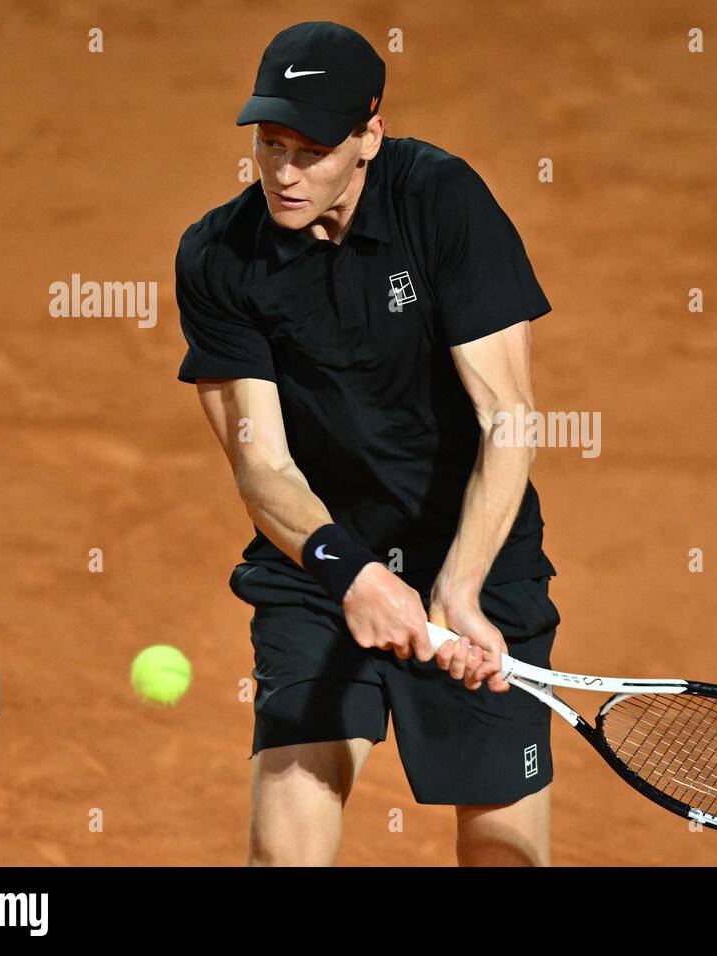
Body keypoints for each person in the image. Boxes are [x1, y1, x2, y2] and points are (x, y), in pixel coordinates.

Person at [174, 21, 559, 866]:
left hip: (476, 545)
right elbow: (262, 466)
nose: (283, 172)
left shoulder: (443, 201)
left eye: (310, 150)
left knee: (505, 857)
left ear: (369, 136)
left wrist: (458, 590)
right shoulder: (217, 258)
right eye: (269, 145)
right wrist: (349, 571)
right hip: (314, 559)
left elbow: (508, 418)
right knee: (285, 850)